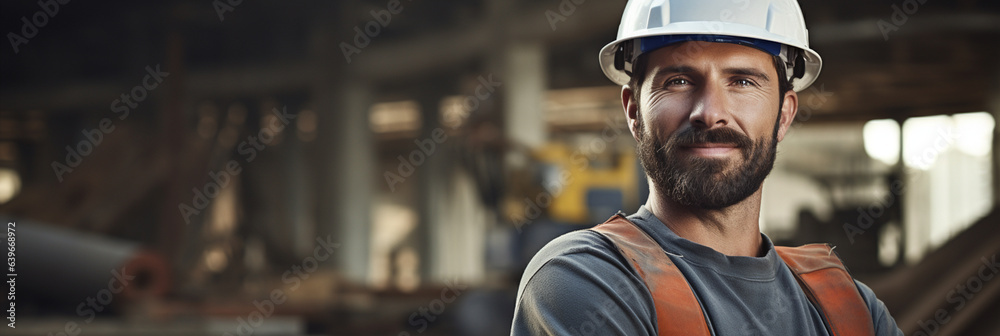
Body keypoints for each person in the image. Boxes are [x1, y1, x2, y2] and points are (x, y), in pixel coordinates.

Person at [511, 0, 905, 335]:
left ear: (784, 115)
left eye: (743, 82)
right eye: (680, 80)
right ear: (633, 111)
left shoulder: (847, 306)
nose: (711, 113)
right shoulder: (584, 278)